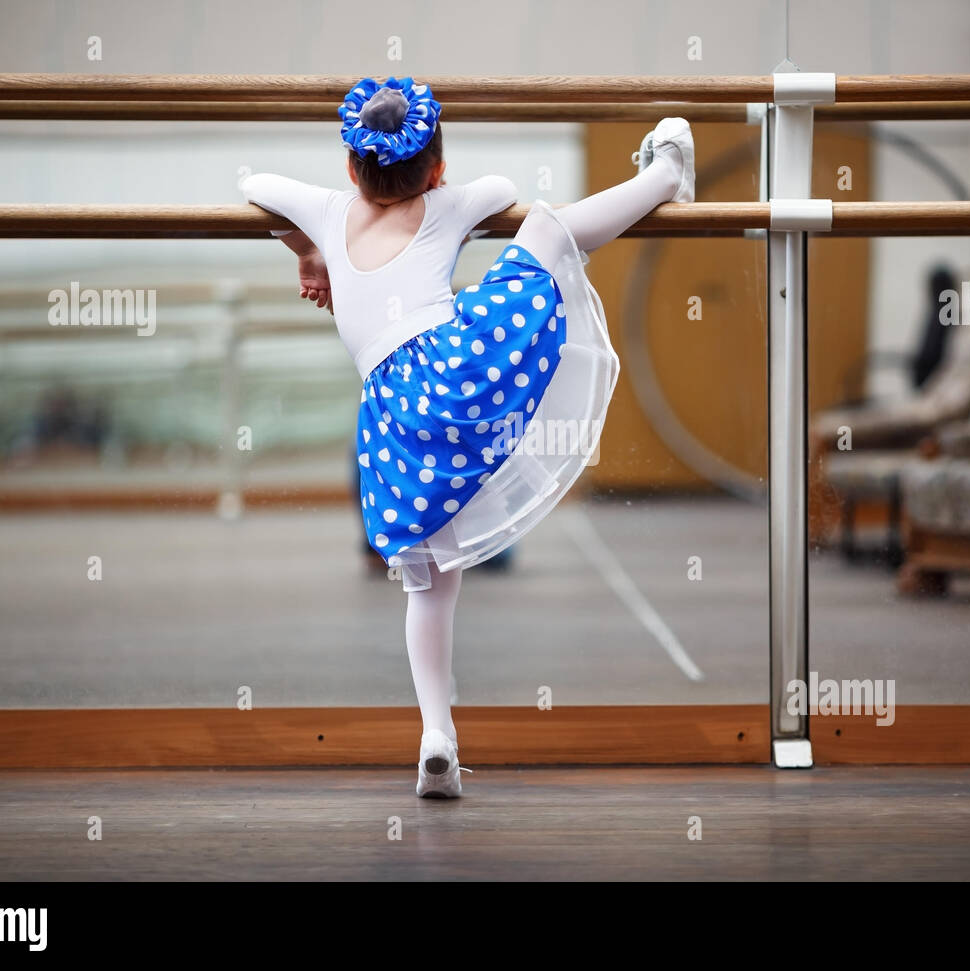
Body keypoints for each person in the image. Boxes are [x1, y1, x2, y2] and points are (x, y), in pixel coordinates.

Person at [241, 76, 694, 797]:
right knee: (545, 228)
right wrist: (442, 195)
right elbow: (504, 188)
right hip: (458, 376)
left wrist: (306, 249)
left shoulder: (329, 211)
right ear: (437, 166)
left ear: (352, 168)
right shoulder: (446, 203)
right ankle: (666, 175)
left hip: (396, 419)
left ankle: (436, 735)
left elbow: (256, 182)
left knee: (430, 584)